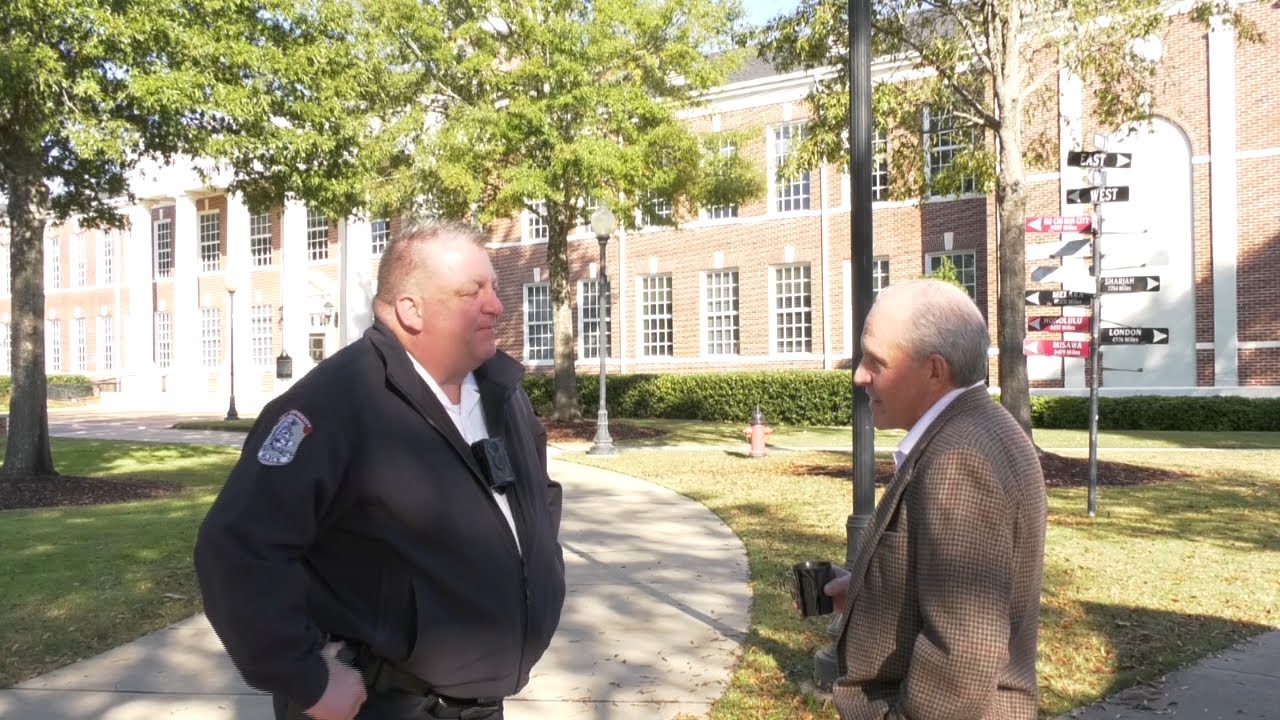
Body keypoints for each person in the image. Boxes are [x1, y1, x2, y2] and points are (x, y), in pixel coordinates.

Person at [194, 220, 566, 720]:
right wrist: (305, 679)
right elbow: (238, 547)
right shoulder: (336, 402)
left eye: (493, 288)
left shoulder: (501, 390)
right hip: (384, 705)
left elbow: (537, 497)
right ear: (411, 310)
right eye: (471, 291)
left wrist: (544, 570)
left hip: (480, 704)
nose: (496, 305)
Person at [825, 279, 1047, 720]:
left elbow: (963, 652)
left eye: (877, 361)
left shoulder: (959, 461)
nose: (859, 375)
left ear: (934, 370)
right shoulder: (983, 427)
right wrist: (867, 590)